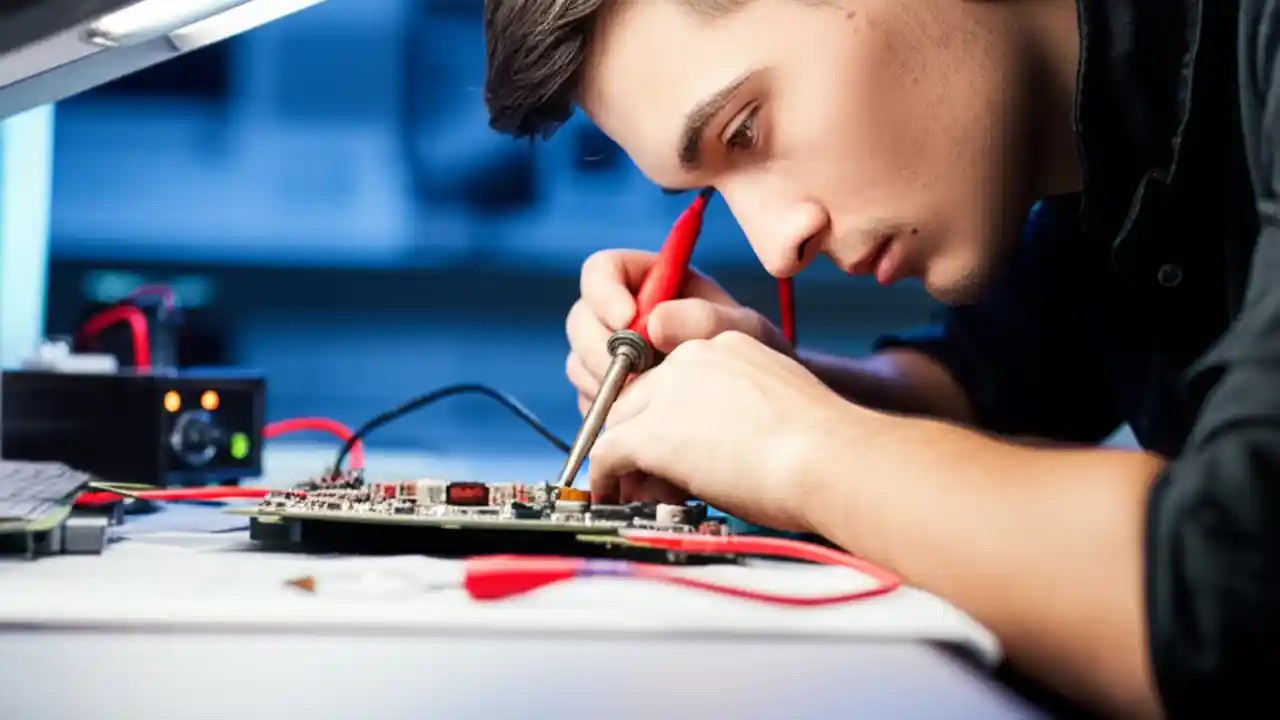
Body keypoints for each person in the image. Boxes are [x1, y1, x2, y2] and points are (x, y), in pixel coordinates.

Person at [482, 0, 1278, 716]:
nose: (776, 248)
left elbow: (1227, 590)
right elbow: (980, 387)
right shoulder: (1089, 145)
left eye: (747, 130)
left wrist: (795, 446)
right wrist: (749, 388)